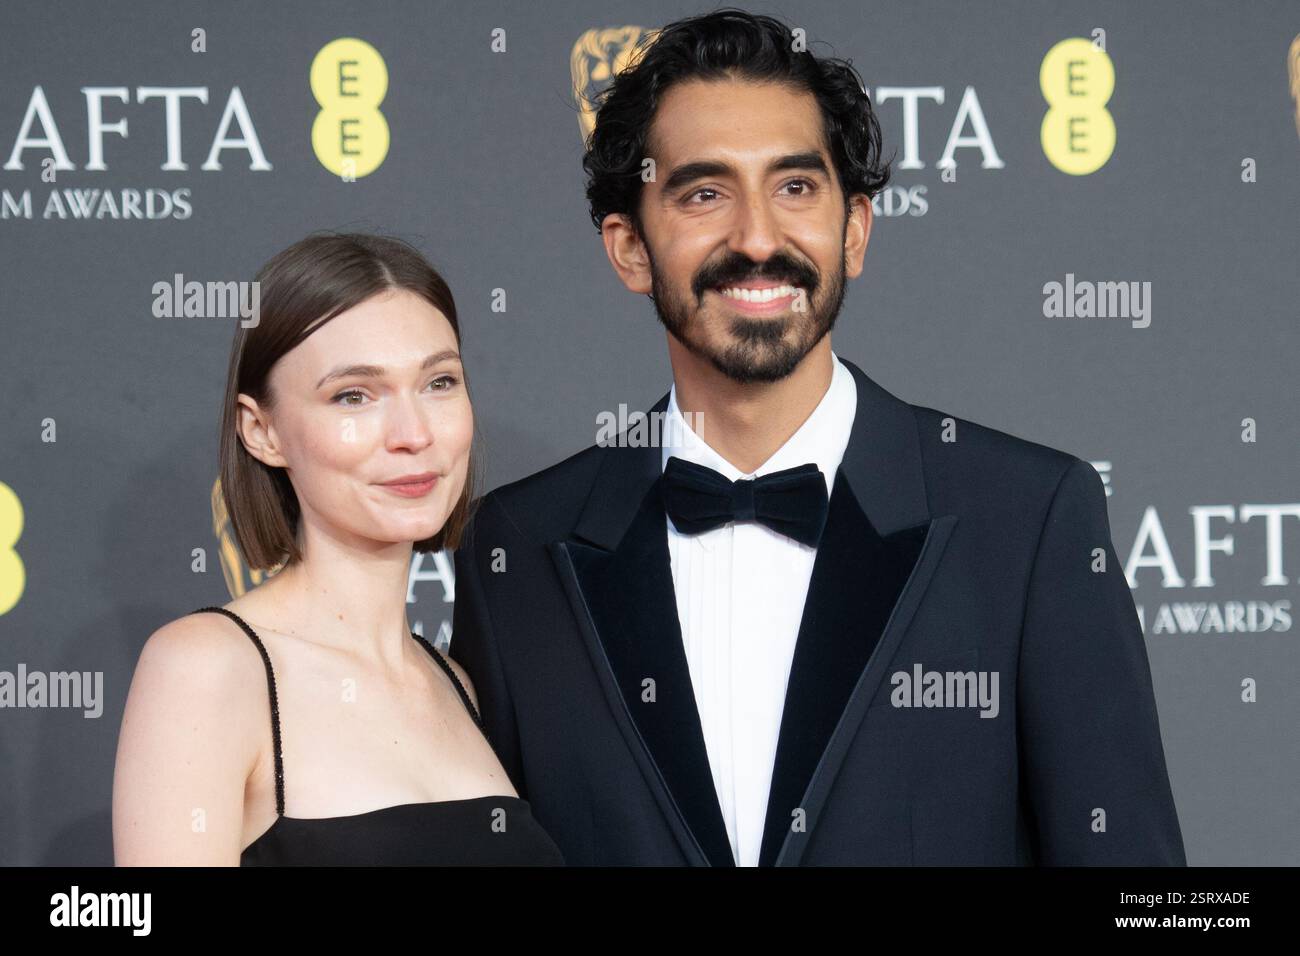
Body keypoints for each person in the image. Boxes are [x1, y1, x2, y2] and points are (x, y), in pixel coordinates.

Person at [450, 9, 1186, 866]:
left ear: (856, 230)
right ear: (629, 249)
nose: (758, 237)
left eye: (795, 187)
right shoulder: (519, 550)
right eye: (703, 193)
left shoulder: (1027, 520)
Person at [112, 233, 563, 866]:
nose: (414, 433)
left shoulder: (458, 684)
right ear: (262, 430)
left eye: (438, 382)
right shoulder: (210, 669)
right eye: (354, 395)